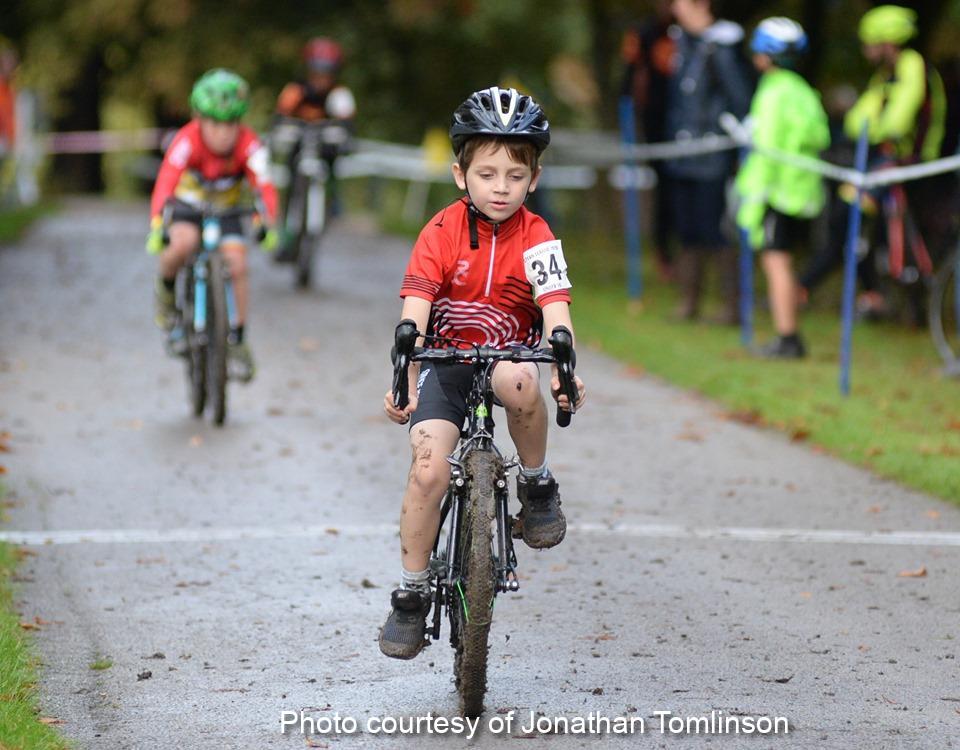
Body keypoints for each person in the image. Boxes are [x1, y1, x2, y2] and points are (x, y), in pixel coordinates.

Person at [378, 87, 586, 660]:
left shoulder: (539, 237)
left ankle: (537, 484)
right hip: (445, 359)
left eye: (515, 176)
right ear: (459, 174)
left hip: (508, 357)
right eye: (487, 173)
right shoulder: (439, 232)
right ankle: (412, 593)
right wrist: (403, 370)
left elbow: (556, 313)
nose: (501, 187)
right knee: (427, 471)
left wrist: (563, 367)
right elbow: (413, 315)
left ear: (534, 179)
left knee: (521, 382)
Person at [799, 5, 947, 317]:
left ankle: (896, 299)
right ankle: (869, 293)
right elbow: (858, 121)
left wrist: (874, 129)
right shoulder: (885, 75)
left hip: (910, 165)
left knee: (854, 215)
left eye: (870, 43)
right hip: (883, 163)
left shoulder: (912, 65)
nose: (866, 50)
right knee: (846, 218)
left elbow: (897, 120)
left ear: (887, 43)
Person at [146, 68, 278, 382]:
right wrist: (157, 222)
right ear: (199, 119)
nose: (223, 132)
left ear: (240, 122)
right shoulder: (186, 140)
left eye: (231, 123)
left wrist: (267, 221)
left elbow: (265, 185)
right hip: (188, 206)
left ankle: (237, 337)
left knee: (237, 262)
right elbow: (166, 180)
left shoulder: (250, 145)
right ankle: (166, 294)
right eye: (215, 123)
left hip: (229, 210)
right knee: (183, 243)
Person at [735, 18, 830, 358]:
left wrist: (753, 200)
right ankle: (789, 334)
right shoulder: (802, 90)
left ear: (766, 55)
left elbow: (768, 149)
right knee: (784, 262)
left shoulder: (773, 90)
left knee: (777, 264)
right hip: (802, 192)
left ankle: (788, 337)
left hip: (777, 193)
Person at [664, 0, 754, 323]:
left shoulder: (722, 47)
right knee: (687, 230)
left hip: (712, 158)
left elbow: (739, 98)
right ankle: (689, 302)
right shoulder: (681, 44)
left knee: (714, 229)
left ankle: (731, 307)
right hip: (681, 155)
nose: (676, 9)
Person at [272, 37, 356, 257]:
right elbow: (280, 116)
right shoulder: (295, 91)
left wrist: (346, 137)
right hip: (301, 145)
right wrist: (281, 130)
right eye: (317, 72)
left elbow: (348, 122)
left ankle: (332, 202)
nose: (321, 79)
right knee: (291, 183)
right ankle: (287, 234)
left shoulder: (339, 94)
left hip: (325, 148)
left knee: (332, 169)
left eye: (326, 73)